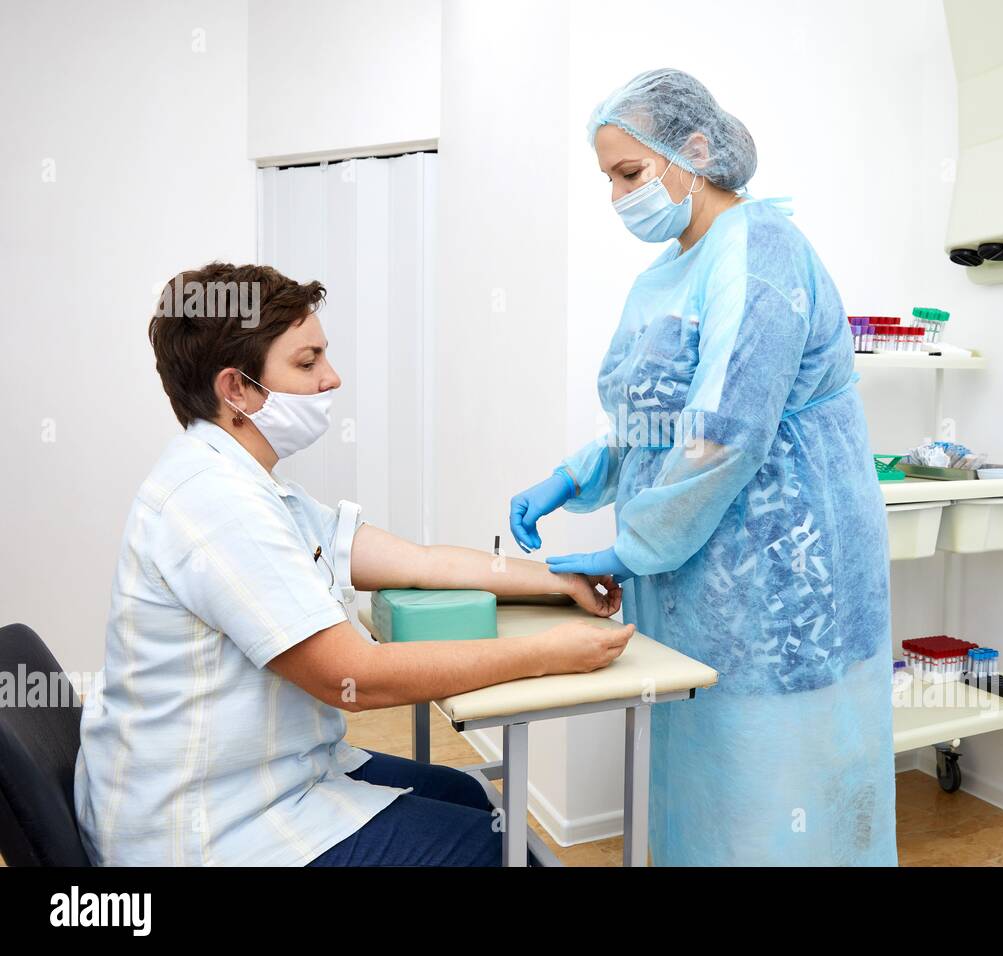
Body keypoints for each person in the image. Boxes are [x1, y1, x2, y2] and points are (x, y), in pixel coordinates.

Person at [74, 262, 633, 866]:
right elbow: (356, 679)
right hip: (204, 831)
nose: (332, 379)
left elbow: (417, 563)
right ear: (236, 388)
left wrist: (558, 581)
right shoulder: (214, 503)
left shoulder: (252, 487)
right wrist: (548, 655)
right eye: (308, 362)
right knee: (491, 847)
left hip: (265, 779)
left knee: (474, 797)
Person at [510, 69, 896, 866]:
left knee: (772, 800)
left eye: (628, 174)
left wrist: (633, 545)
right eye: (608, 180)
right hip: (688, 585)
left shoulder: (762, 252)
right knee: (697, 788)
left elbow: (724, 430)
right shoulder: (664, 275)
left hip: (784, 586)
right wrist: (576, 478)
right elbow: (652, 420)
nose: (618, 197)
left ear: (694, 149)